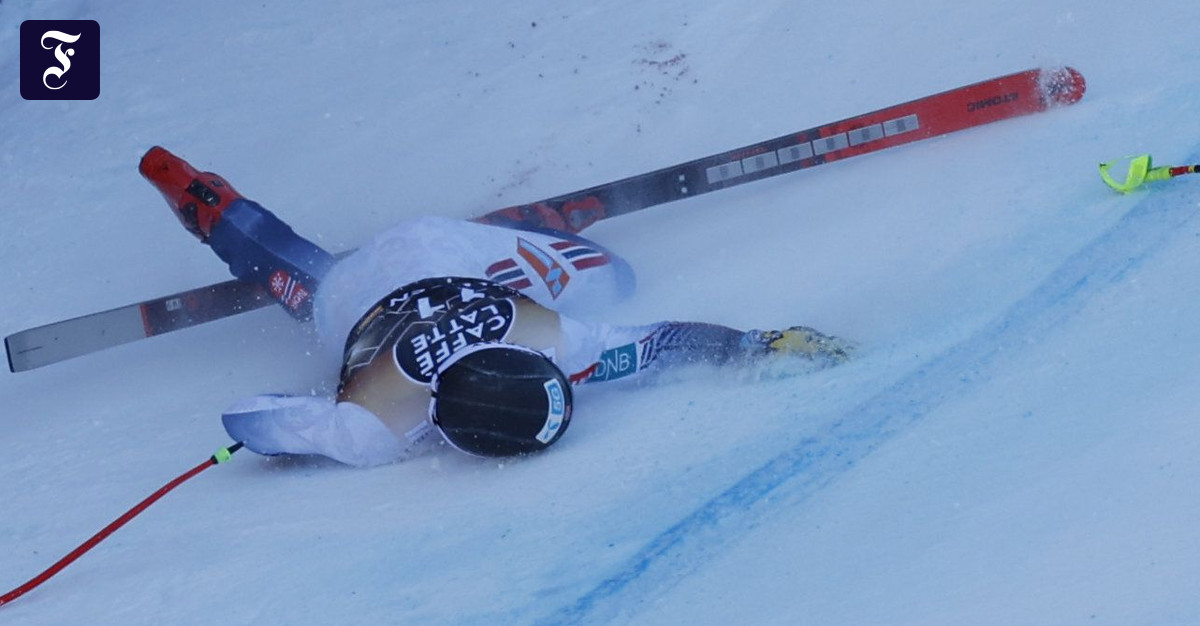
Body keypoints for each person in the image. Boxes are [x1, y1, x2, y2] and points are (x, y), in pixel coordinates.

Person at [139, 146, 854, 467]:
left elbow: (248, 423)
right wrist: (753, 345)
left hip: (440, 259)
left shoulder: (550, 342)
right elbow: (250, 420)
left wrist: (757, 346)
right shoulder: (375, 424)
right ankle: (221, 214)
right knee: (310, 285)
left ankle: (218, 211)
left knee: (616, 279)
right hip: (406, 274)